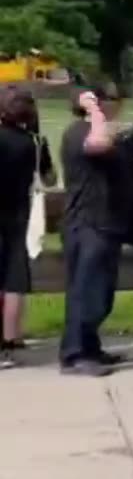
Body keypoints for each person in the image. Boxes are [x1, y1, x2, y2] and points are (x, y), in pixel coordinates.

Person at [59, 87, 133, 377]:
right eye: (114, 100)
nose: (120, 105)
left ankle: (90, 347)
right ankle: (74, 354)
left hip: (106, 223)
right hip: (88, 223)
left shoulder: (97, 129)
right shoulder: (82, 131)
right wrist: (94, 111)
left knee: (100, 292)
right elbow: (98, 146)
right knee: (85, 291)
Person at [0, 86, 54, 369]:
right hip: (19, 214)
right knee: (13, 282)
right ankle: (11, 341)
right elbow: (49, 178)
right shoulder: (34, 143)